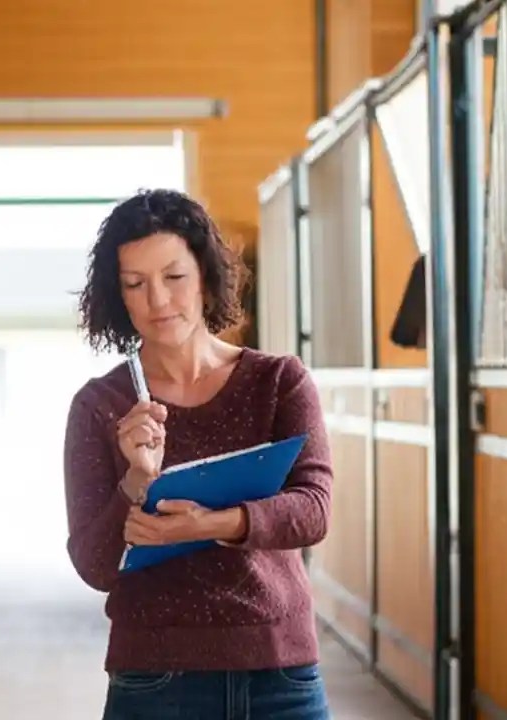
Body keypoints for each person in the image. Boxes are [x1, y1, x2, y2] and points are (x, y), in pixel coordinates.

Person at [64, 188, 333, 719]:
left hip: (280, 670)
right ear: (118, 298)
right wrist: (135, 485)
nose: (157, 301)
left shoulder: (279, 381)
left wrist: (212, 523)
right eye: (135, 285)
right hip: (155, 680)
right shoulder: (100, 405)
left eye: (173, 277)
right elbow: (94, 565)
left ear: (206, 279)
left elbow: (314, 510)